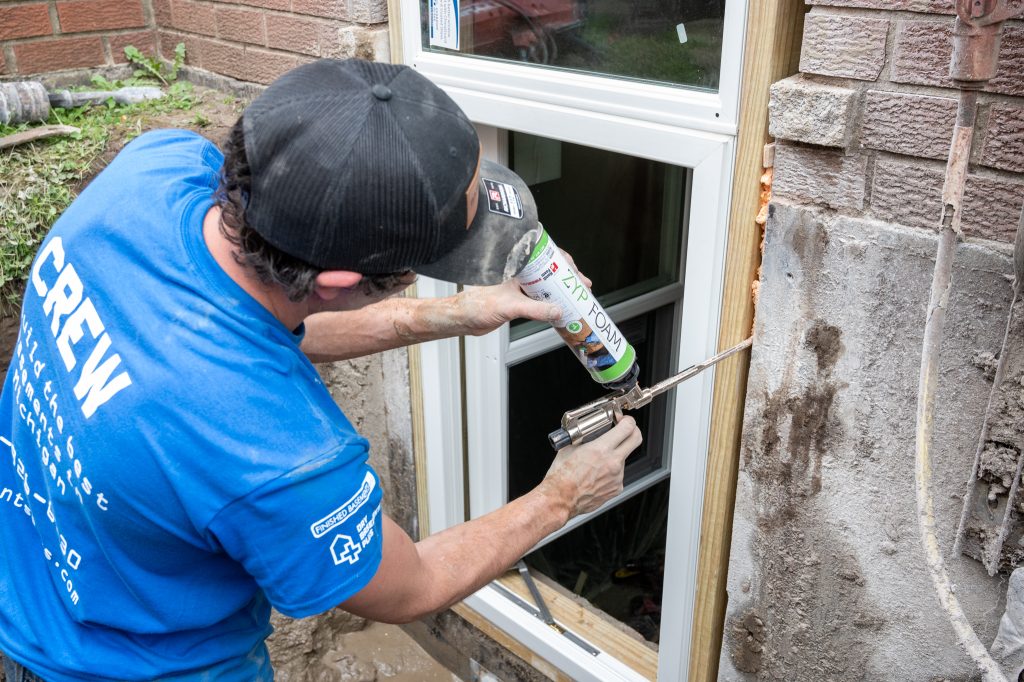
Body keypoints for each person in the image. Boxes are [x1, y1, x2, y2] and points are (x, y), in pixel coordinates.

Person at [0, 58, 642, 681]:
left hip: (28, 595)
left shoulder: (153, 172)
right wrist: (561, 498)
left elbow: (246, 329)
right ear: (339, 281)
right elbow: (408, 585)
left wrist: (456, 312)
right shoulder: (275, 454)